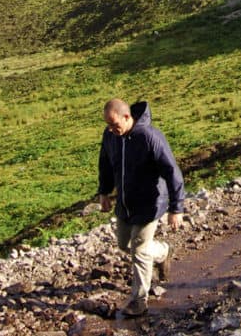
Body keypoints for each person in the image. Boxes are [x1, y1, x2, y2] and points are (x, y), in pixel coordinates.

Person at [98, 98, 186, 318]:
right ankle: (163, 252)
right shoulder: (110, 136)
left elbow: (171, 172)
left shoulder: (149, 137)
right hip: (126, 204)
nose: (111, 130)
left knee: (138, 248)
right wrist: (104, 193)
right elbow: (106, 164)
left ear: (127, 117)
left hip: (150, 203)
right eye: (108, 125)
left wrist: (176, 209)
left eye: (115, 124)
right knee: (124, 244)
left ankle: (139, 300)